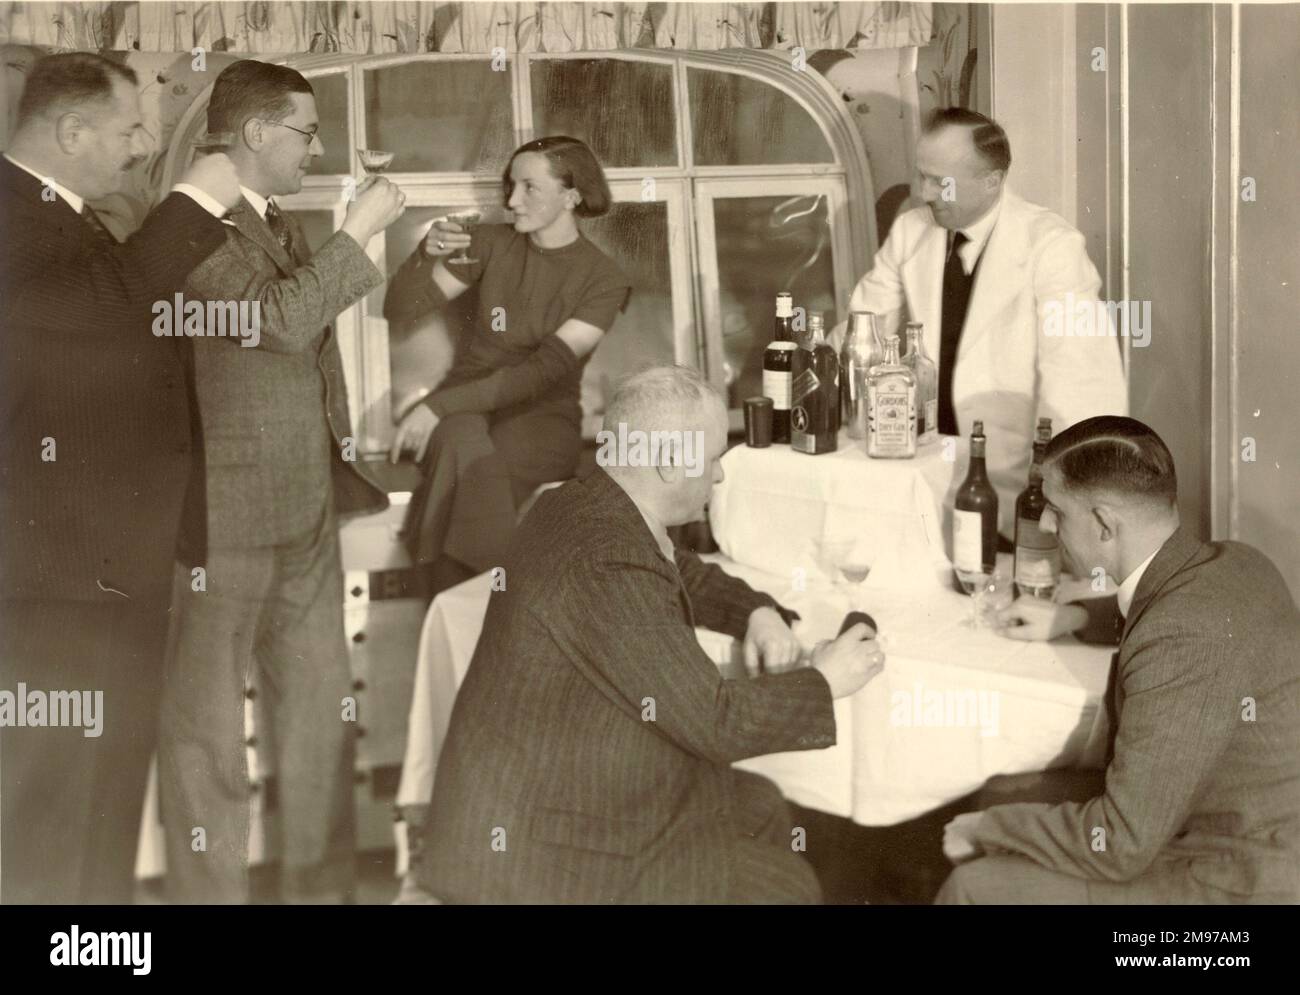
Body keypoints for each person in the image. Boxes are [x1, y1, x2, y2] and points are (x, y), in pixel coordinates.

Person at [416, 365, 884, 904]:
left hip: (552, 799)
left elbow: (680, 569)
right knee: (788, 888)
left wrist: (754, 611)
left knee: (761, 806)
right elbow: (715, 721)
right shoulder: (607, 561)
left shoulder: (580, 505)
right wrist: (825, 680)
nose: (720, 476)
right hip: (542, 854)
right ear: (666, 462)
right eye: (712, 460)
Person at [157, 59, 406, 904]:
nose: (317, 146)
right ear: (256, 133)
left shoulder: (273, 221)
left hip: (304, 514)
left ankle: (322, 896)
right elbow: (276, 322)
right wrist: (359, 230)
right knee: (207, 745)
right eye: (306, 131)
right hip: (221, 524)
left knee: (319, 727)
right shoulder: (190, 225)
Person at [0, 51, 242, 903]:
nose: (142, 147)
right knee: (55, 802)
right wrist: (195, 204)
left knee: (105, 795)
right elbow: (95, 310)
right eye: (130, 128)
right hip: (52, 580)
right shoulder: (12, 217)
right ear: (70, 132)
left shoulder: (67, 218)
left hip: (104, 567)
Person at [937, 416, 1300, 904]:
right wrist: (1073, 616)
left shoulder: (1181, 636)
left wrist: (990, 830)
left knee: (973, 887)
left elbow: (1122, 845)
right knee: (1001, 794)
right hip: (1220, 817)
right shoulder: (1236, 561)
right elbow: (1155, 600)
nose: (1045, 523)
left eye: (1057, 510)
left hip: (1238, 872)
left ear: (1105, 524)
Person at [847, 108, 1128, 537]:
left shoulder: (1052, 247)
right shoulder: (910, 232)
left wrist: (1068, 499)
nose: (924, 193)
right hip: (923, 474)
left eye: (940, 181)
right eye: (921, 176)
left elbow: (1082, 383)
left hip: (1014, 486)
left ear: (992, 181)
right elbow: (863, 328)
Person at [382, 135, 632, 593]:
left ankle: (457, 599)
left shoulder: (604, 280)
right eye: (509, 185)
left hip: (542, 412)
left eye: (529, 188)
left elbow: (540, 373)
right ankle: (484, 608)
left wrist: (436, 407)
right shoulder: (489, 243)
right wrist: (425, 256)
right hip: (468, 401)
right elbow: (401, 309)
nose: (512, 200)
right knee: (461, 444)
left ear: (571, 195)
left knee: (485, 468)